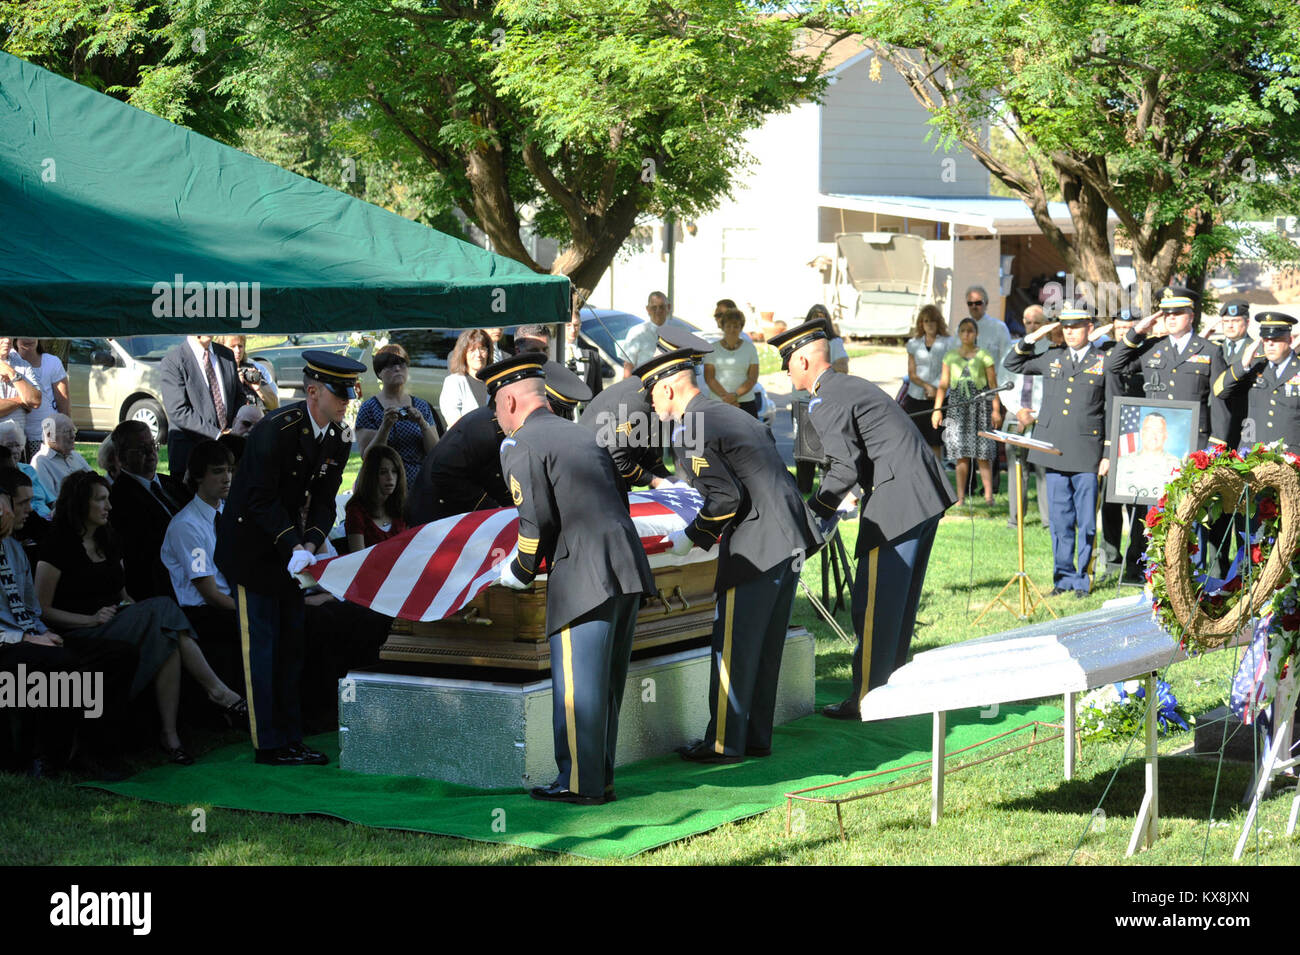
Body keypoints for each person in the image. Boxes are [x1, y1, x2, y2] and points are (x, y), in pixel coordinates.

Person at [636, 346, 822, 760]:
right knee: (764, 644)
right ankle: (754, 735)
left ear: (668, 389)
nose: (651, 404)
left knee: (734, 647)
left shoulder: (691, 428)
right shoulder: (726, 413)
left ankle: (723, 741)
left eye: (652, 395)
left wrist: (692, 537)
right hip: (788, 535)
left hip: (756, 545)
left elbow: (724, 499)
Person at [484, 353, 655, 804]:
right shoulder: (583, 434)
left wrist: (517, 573)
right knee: (607, 684)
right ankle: (601, 777)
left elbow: (534, 521)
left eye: (497, 408)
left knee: (578, 687)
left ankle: (578, 783)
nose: (498, 418)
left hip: (582, 574)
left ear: (509, 402)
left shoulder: (521, 445)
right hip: (626, 568)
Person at [772, 318, 955, 718]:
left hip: (899, 500)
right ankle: (893, 687)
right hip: (921, 495)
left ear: (804, 361)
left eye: (788, 363)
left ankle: (869, 698)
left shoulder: (825, 399)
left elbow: (842, 470)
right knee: (899, 604)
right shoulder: (846, 386)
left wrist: (812, 515)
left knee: (875, 605)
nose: (786, 372)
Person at [36, 470, 247, 765]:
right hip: (78, 630)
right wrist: (91, 620)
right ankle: (217, 692)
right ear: (80, 503)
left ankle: (170, 735)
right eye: (100, 500)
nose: (109, 506)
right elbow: (42, 609)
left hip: (115, 621)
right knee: (163, 611)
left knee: (167, 634)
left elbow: (123, 596)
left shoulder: (109, 541)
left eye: (109, 499)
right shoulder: (57, 546)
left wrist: (139, 616)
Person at [215, 351, 363, 767]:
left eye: (349, 393)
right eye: (339, 394)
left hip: (292, 551)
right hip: (253, 548)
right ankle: (268, 743)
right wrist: (292, 545)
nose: (346, 401)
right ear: (313, 392)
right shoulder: (275, 431)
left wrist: (312, 544)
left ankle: (292, 736)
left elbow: (324, 502)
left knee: (291, 646)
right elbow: (259, 499)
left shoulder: (338, 436)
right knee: (261, 646)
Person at [0, 473, 136, 778]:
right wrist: (26, 637)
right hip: (6, 645)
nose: (29, 510)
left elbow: (31, 609)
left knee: (119, 655)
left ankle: (96, 750)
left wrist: (41, 632)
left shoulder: (14, 549)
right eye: (21, 503)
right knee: (61, 663)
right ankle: (46, 757)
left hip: (31, 637)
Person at [1005, 307, 1108, 596]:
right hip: (1053, 449)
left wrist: (1108, 453)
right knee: (1060, 520)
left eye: (1076, 327)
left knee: (1086, 520)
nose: (1070, 332)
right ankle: (1062, 579)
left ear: (1089, 327)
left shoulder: (1102, 360)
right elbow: (1012, 362)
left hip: (1088, 451)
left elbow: (1110, 406)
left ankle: (1083, 579)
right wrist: (1034, 335)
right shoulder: (1052, 356)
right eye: (1065, 328)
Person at [578, 327, 712, 493]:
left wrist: (666, 477)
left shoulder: (651, 395)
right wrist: (656, 482)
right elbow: (617, 457)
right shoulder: (639, 401)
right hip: (592, 481)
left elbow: (640, 447)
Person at [159, 440, 244, 694]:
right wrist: (251, 609)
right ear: (198, 477)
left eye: (229, 470)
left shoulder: (230, 513)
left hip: (232, 601)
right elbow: (211, 594)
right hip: (205, 613)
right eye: (218, 471)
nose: (227, 478)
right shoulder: (188, 526)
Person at [1104, 285, 1228, 452]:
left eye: (1177, 313)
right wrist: (1136, 332)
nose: (1171, 318)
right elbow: (1114, 366)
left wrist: (1216, 444)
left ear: (1191, 317)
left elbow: (1220, 399)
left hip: (1194, 438)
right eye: (1167, 314)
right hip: (1155, 439)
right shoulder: (1152, 347)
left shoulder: (1210, 350)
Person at [108, 420, 192, 602]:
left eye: (152, 445)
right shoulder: (118, 499)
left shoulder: (172, 485)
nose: (151, 453)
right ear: (121, 458)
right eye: (140, 449)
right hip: (165, 583)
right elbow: (146, 550)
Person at [1097, 307, 1148, 583]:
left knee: (1138, 506)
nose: (1122, 331)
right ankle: (1111, 563)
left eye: (1128, 326)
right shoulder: (1104, 352)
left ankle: (1136, 564)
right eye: (1118, 327)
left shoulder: (1147, 353)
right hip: (1108, 437)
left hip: (1138, 437)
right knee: (1109, 505)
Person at [932, 318, 1002, 505]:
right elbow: (943, 385)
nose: (966, 335)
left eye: (970, 331)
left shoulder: (984, 356)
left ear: (976, 333)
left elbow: (993, 386)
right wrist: (937, 410)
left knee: (982, 453)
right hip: (957, 407)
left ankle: (989, 496)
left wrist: (996, 410)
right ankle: (961, 497)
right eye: (963, 331)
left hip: (980, 407)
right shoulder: (950, 356)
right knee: (960, 453)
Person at [354, 343, 439, 486]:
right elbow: (368, 457)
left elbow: (435, 452)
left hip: (417, 485)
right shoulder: (369, 408)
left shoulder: (421, 406)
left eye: (402, 364)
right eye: (390, 366)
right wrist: (385, 427)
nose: (398, 369)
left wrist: (422, 423)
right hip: (383, 487)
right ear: (379, 373)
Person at [1214, 312, 1300, 451]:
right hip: (1253, 455)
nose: (1270, 343)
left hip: (1291, 457)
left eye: (1277, 339)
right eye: (1266, 339)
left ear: (1290, 340)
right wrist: (1243, 364)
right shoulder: (1255, 367)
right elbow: (1220, 390)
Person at [160, 335, 241, 481]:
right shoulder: (173, 361)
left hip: (227, 459)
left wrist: (234, 428)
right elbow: (178, 410)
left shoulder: (226, 355)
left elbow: (238, 396)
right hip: (190, 459)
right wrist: (218, 435)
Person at [1000, 305, 1052, 529]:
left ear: (1045, 325)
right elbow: (1003, 383)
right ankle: (1015, 519)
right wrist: (1018, 411)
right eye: (1028, 322)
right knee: (1016, 468)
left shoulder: (1052, 351)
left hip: (1043, 415)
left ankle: (1048, 521)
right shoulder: (1014, 350)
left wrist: (1036, 414)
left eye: (1037, 323)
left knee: (1043, 470)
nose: (1032, 327)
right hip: (1015, 413)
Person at [904, 304, 951, 458]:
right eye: (926, 321)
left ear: (938, 323)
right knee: (914, 440)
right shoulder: (913, 344)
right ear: (921, 324)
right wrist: (926, 386)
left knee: (935, 441)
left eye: (933, 321)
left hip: (940, 398)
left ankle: (937, 478)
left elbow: (950, 372)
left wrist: (936, 389)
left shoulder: (948, 343)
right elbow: (911, 373)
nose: (929, 324)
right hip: (917, 396)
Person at [10, 338, 67, 460]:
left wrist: (65, 431)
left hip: (45, 433)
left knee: (43, 472)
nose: (28, 339)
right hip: (15, 433)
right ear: (15, 338)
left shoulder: (52, 362)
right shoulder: (8, 360)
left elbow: (63, 401)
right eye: (23, 335)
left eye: (32, 335)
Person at [345, 444, 408, 551]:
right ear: (371, 475)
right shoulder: (356, 512)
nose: (390, 478)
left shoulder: (401, 507)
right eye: (383, 472)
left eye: (394, 472)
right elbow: (358, 557)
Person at [1208, 300, 1253, 448]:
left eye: (1235, 320)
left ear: (1247, 322)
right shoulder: (1212, 349)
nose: (1230, 325)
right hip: (1211, 425)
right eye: (1226, 321)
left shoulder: (1257, 351)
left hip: (1241, 426)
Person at [703, 307, 761, 416]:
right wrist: (727, 397)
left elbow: (752, 378)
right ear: (723, 327)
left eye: (736, 326)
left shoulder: (750, 348)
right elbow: (709, 378)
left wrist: (735, 396)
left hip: (745, 402)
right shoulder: (712, 349)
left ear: (741, 328)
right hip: (718, 402)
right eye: (728, 326)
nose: (732, 329)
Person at [1113, 412, 1183, 499]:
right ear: (1142, 433)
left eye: (1159, 431)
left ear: (1166, 435)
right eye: (1149, 430)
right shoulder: (1122, 463)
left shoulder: (1177, 465)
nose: (1153, 436)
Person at [438, 329, 492, 429]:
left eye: (482, 349)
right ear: (463, 353)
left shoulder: (494, 382)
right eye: (472, 350)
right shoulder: (454, 382)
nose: (478, 354)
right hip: (465, 442)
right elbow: (454, 423)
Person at [0, 420, 53, 518]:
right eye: (9, 446)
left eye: (17, 445)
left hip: (48, 517)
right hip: (26, 521)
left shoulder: (29, 470)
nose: (15, 450)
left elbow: (50, 500)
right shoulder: (3, 477)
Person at [30, 414, 90, 499]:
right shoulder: (41, 461)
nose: (73, 435)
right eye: (67, 431)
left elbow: (94, 480)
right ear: (49, 435)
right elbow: (50, 499)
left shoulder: (75, 455)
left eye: (73, 430)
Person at [219, 335, 279, 412]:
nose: (237, 350)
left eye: (240, 346)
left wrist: (258, 389)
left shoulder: (252, 370)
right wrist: (236, 385)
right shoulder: (217, 371)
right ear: (221, 347)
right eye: (232, 346)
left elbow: (275, 406)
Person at [0, 337, 41, 446]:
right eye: (1, 337)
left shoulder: (22, 364)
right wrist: (22, 400)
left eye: (9, 336)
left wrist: (11, 373)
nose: (7, 341)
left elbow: (35, 401)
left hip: (17, 444)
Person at [622, 290, 673, 377]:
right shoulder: (636, 333)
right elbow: (628, 368)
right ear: (647, 309)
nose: (658, 311)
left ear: (668, 307)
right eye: (654, 307)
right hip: (645, 387)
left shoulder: (679, 332)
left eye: (662, 307)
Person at [566, 308, 603, 400]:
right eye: (568, 325)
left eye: (576, 325)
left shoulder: (592, 352)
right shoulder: (552, 351)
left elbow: (598, 390)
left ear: (580, 325)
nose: (573, 330)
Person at [805, 304, 851, 373]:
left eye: (820, 318)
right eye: (815, 317)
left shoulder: (835, 342)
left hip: (828, 382)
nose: (817, 322)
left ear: (826, 322)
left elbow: (843, 369)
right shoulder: (802, 342)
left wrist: (820, 369)